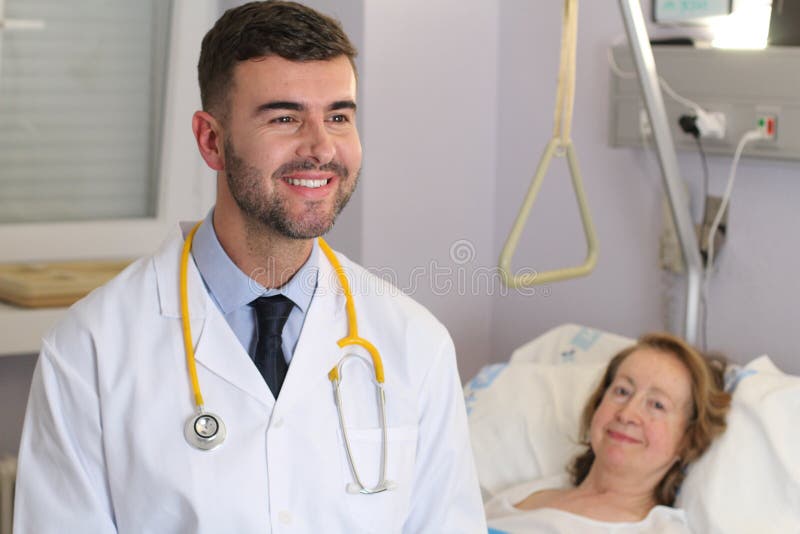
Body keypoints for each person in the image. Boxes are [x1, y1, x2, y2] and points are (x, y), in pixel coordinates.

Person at [13, 2, 485, 532]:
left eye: (338, 116)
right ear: (211, 140)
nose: (321, 147)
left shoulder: (415, 343)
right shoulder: (90, 349)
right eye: (284, 117)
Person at [485, 333, 731, 533]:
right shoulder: (523, 495)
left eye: (657, 405)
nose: (627, 414)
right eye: (622, 391)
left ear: (688, 439)